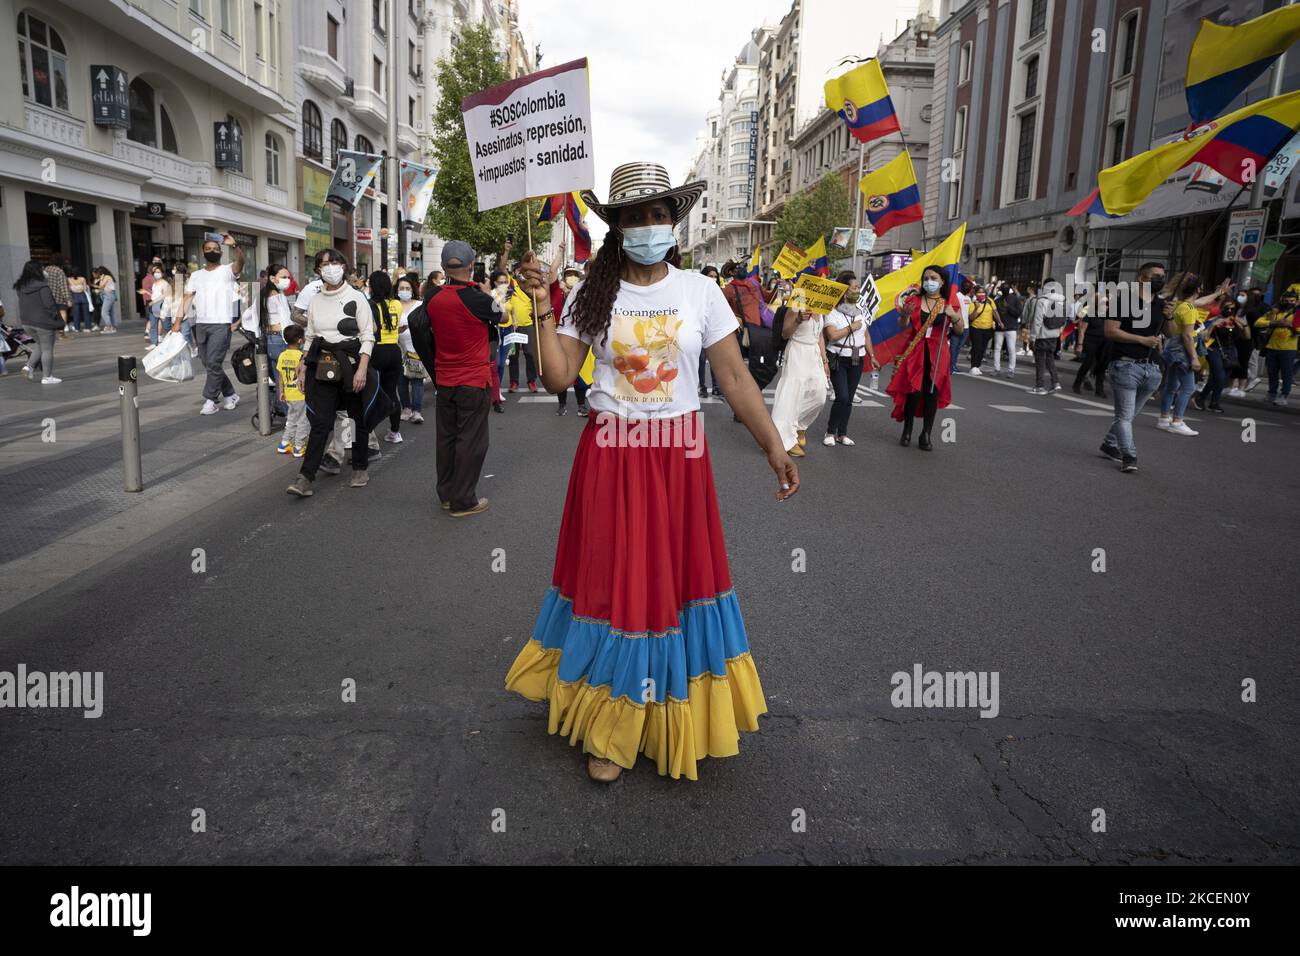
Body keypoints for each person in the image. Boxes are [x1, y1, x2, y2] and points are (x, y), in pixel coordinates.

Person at [504, 161, 796, 783]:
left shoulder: (700, 291)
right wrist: (538, 306)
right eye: (633, 217)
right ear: (616, 227)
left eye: (657, 215)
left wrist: (775, 446)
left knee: (675, 585)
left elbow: (736, 378)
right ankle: (613, 732)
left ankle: (670, 712)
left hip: (679, 457)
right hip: (612, 454)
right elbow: (558, 378)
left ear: (674, 222)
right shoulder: (591, 292)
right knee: (618, 586)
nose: (647, 226)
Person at [286, 249, 379, 496]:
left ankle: (360, 467)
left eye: (335, 262)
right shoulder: (315, 300)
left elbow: (368, 335)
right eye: (324, 264)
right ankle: (305, 477)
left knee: (356, 418)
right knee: (321, 422)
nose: (330, 268)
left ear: (344, 266)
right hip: (323, 365)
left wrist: (361, 368)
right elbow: (311, 336)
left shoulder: (357, 297)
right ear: (317, 270)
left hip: (351, 364)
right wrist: (304, 364)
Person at [425, 240, 499, 515]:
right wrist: (488, 293)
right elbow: (501, 317)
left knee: (446, 438)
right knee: (472, 440)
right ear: (471, 266)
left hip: (444, 379)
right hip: (473, 379)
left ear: (444, 267)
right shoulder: (477, 298)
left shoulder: (431, 297)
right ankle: (463, 500)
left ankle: (446, 493)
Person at [1099, 261, 1169, 473]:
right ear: (1142, 278)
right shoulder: (1123, 301)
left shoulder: (1162, 305)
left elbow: (1172, 333)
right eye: (1156, 276)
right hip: (1125, 365)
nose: (1161, 280)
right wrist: (1142, 340)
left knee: (1129, 415)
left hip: (1153, 368)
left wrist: (1171, 316)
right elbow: (1110, 331)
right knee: (1125, 416)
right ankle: (1129, 456)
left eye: (1163, 277)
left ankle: (1109, 444)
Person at [887, 267, 964, 450]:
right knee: (913, 391)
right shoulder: (914, 300)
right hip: (916, 350)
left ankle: (926, 434)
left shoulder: (949, 302)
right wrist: (904, 316)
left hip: (938, 353)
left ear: (942, 281)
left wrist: (953, 316)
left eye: (933, 278)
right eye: (926, 278)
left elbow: (960, 330)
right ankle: (907, 430)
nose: (929, 281)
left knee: (932, 393)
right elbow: (903, 325)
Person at [1159, 272, 1229, 435]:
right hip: (1183, 352)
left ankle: (1164, 419)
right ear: (1198, 289)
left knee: (1171, 386)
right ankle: (1177, 421)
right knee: (1188, 387)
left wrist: (1218, 293)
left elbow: (1200, 301)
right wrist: (1194, 358)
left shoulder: (1180, 304)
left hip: (1172, 350)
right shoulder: (1189, 309)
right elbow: (1188, 336)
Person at [182, 234, 245, 416]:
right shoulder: (196, 275)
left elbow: (240, 262)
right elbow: (186, 297)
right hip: (200, 324)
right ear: (203, 252)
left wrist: (235, 246)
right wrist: (177, 321)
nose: (212, 252)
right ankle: (230, 394)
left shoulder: (227, 270)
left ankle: (210, 400)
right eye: (208, 249)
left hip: (221, 324)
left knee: (214, 362)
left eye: (215, 249)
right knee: (209, 363)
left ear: (221, 252)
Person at [823, 271, 875, 446]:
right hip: (838, 358)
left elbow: (866, 335)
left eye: (858, 287)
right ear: (845, 291)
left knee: (850, 398)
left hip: (857, 359)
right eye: (854, 287)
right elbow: (831, 335)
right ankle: (830, 431)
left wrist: (872, 355)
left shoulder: (860, 311)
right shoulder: (832, 312)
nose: (858, 290)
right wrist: (851, 327)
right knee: (842, 397)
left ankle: (842, 433)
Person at [367, 270, 406, 444]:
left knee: (370, 393)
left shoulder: (369, 304)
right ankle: (395, 432)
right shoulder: (397, 303)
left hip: (376, 351)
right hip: (394, 350)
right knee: (392, 392)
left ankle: (368, 433)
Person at [13, 260, 63, 384]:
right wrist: (56, 318)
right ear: (37, 271)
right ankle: (47, 377)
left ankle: (29, 366)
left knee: (40, 345)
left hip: (26, 322)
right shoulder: (42, 286)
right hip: (43, 322)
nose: (44, 271)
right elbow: (49, 305)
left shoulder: (20, 286)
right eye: (42, 269)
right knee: (47, 349)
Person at [1193, 296, 1243, 413]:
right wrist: (1213, 325)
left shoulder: (1236, 321)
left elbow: (1246, 336)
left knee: (1221, 378)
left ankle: (1208, 400)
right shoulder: (1214, 319)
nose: (1229, 311)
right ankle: (1207, 399)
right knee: (1219, 376)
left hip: (1230, 351)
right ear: (1221, 308)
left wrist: (1242, 325)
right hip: (1214, 349)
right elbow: (1202, 336)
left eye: (1232, 309)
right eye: (1227, 308)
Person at [1254, 282, 1299, 406]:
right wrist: (1275, 322)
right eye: (1286, 300)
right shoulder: (1275, 312)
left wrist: (1291, 325)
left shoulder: (1297, 314)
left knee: (1287, 373)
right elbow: (1259, 322)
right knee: (1272, 373)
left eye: (1292, 300)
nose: (1288, 302)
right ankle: (1271, 393)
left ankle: (1284, 395)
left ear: (1296, 302)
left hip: (1288, 348)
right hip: (1271, 347)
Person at [395, 273, 428, 424]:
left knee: (417, 380)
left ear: (412, 289)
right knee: (401, 381)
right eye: (401, 288)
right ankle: (406, 408)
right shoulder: (393, 305)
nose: (404, 290)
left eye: (407, 288)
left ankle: (417, 411)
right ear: (396, 290)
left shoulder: (420, 305)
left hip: (416, 348)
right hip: (398, 349)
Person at [1026, 279, 1065, 394]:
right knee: (1050, 359)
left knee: (1040, 361)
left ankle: (1040, 386)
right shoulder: (1061, 300)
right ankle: (1055, 383)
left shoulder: (1042, 300)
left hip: (1042, 334)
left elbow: (1038, 320)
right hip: (1054, 334)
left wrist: (1032, 337)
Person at [275, 324, 308, 457]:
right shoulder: (301, 356)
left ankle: (285, 443)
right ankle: (299, 446)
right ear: (300, 340)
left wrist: (281, 391)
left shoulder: (282, 355)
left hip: (288, 394)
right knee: (303, 421)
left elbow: (281, 376)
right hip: (300, 394)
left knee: (292, 419)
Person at [1072, 287, 1109, 397]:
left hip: (1104, 342)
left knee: (1102, 366)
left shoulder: (1109, 315)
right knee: (1087, 363)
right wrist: (1079, 345)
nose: (1106, 305)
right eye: (1104, 303)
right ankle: (1077, 384)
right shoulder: (1090, 312)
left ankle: (1099, 389)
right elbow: (1081, 328)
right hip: (1090, 341)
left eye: (1107, 303)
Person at [1226, 288, 1258, 397]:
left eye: (1242, 295)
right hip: (1236, 339)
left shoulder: (1251, 312)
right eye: (1239, 295)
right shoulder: (1237, 309)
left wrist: (1238, 322)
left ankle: (1241, 388)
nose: (1239, 297)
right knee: (1233, 363)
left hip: (1246, 342)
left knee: (1243, 364)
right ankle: (1230, 386)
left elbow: (1252, 330)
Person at [697, 265, 722, 395]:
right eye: (710, 276)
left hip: (714, 331)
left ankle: (716, 387)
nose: (712, 279)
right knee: (701, 361)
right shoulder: (697, 292)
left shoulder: (719, 292)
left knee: (715, 361)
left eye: (714, 276)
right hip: (701, 330)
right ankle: (702, 387)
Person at [966, 283, 998, 375]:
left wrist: (999, 322)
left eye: (983, 292)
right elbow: (971, 318)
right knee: (976, 347)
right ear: (975, 294)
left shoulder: (990, 301)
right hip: (976, 328)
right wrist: (976, 308)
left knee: (982, 348)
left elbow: (995, 312)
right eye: (979, 292)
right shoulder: (972, 303)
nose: (981, 294)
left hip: (988, 329)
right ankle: (973, 366)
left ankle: (977, 366)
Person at [992, 280, 1022, 378]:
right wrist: (998, 323)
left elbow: (1018, 313)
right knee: (997, 348)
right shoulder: (997, 300)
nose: (1004, 290)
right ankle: (997, 369)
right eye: (1003, 288)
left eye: (1006, 288)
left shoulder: (1015, 299)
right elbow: (994, 314)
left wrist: (1008, 307)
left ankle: (1011, 370)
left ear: (1009, 290)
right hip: (1000, 328)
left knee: (1011, 349)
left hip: (1011, 328)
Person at [43, 257, 70, 335]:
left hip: (47, 296)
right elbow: (63, 285)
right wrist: (67, 298)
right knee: (62, 312)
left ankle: (50, 331)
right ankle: (61, 331)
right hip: (58, 296)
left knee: (50, 313)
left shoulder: (45, 270)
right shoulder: (59, 271)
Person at [93, 267, 120, 334]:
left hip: (109, 296)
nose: (98, 275)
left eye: (99, 273)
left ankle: (109, 327)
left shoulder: (107, 277)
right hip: (108, 296)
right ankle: (112, 327)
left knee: (104, 312)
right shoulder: (106, 277)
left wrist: (99, 280)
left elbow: (101, 285)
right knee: (110, 312)